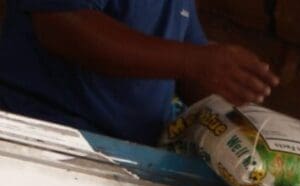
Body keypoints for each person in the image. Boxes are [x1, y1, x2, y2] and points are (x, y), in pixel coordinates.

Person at [0, 0, 276, 145]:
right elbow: (60, 24)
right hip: (45, 138)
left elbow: (187, 69)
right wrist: (195, 61)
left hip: (126, 154)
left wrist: (234, 80)